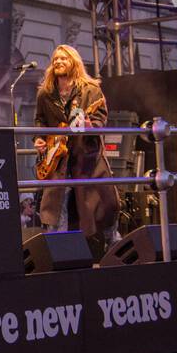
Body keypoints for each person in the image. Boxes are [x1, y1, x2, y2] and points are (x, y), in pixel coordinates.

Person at [33, 44, 118, 258]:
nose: (59, 62)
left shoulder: (91, 90)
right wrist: (40, 139)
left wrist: (89, 125)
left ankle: (114, 247)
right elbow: (40, 121)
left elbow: (100, 120)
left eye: (64, 58)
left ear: (74, 62)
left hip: (86, 157)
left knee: (103, 204)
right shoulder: (45, 94)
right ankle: (57, 253)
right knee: (55, 207)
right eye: (55, 59)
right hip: (58, 160)